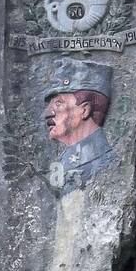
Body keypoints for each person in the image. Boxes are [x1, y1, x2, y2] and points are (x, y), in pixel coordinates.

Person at [42, 57, 118, 185]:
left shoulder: (105, 163)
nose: (47, 114)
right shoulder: (65, 161)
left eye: (58, 103)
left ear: (84, 110)